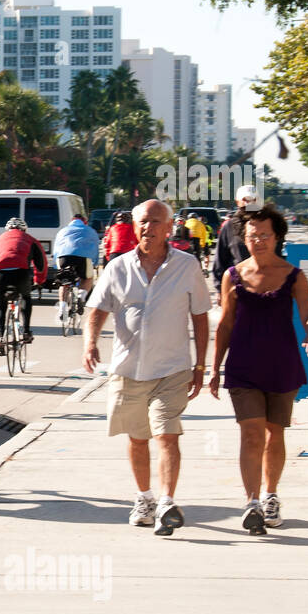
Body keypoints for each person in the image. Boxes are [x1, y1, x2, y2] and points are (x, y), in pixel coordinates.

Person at [83, 199, 211, 536]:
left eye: (155, 222)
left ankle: (167, 502)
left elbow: (200, 315)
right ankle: (144, 498)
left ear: (170, 227)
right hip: (128, 369)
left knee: (167, 436)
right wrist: (90, 342)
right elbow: (97, 308)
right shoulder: (118, 267)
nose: (147, 228)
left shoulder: (187, 266)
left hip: (172, 369)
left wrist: (201, 365)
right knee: (138, 439)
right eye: (142, 221)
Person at [209, 205, 308, 535]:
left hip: (282, 364)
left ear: (276, 237)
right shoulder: (233, 276)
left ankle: (272, 496)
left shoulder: (294, 275)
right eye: (252, 235)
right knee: (252, 433)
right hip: (243, 366)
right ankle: (252, 501)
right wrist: (213, 368)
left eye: (264, 235)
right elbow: (226, 324)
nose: (258, 240)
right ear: (244, 238)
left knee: (275, 434)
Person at [0, 216, 47, 355]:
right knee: (25, 298)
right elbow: (41, 263)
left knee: (1, 307)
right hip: (21, 272)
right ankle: (25, 331)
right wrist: (39, 281)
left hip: (0, 274)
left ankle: (0, 337)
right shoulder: (30, 239)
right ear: (23, 229)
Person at [212, 184, 285, 295]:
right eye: (245, 199)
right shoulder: (229, 227)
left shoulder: (272, 224)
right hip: (239, 291)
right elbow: (220, 262)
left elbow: (278, 256)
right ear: (237, 202)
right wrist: (221, 291)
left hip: (269, 289)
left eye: (253, 199)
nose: (249, 203)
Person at [52, 213, 100, 323]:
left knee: (64, 282)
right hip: (83, 258)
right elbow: (96, 249)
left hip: (63, 257)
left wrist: (56, 265)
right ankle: (81, 297)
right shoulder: (90, 231)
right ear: (85, 222)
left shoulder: (63, 231)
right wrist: (95, 263)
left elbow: (56, 249)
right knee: (87, 278)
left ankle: (62, 307)